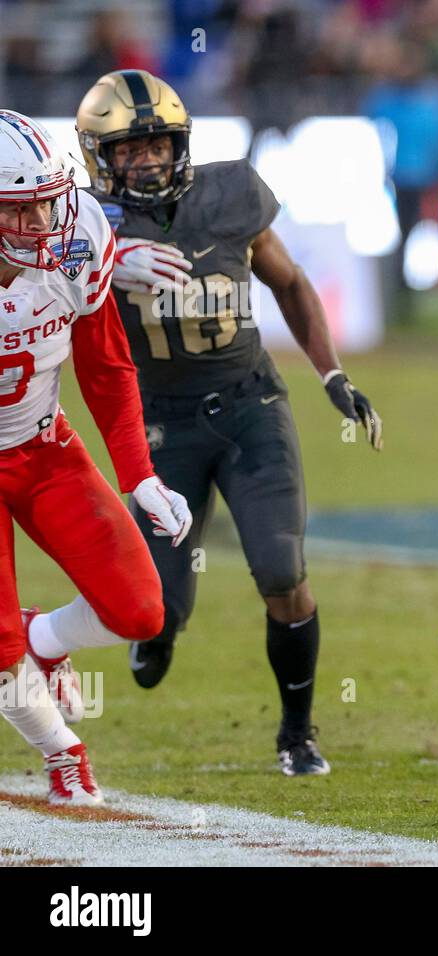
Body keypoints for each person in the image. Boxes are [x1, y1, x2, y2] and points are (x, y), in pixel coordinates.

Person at [75, 70, 383, 776]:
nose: (147, 160)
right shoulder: (80, 224)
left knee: (282, 570)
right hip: (158, 423)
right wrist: (102, 259)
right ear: (99, 157)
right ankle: (161, 630)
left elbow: (290, 281)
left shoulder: (230, 193)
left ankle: (297, 734)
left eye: (158, 144)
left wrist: (332, 375)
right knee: (155, 607)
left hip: (250, 405)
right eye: (129, 149)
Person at [0, 109, 192, 804]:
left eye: (47, 203)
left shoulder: (76, 237)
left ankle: (44, 638)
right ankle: (63, 752)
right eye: (19, 210)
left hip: (41, 446)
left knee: (141, 610)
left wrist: (140, 476)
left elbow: (106, 367)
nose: (42, 223)